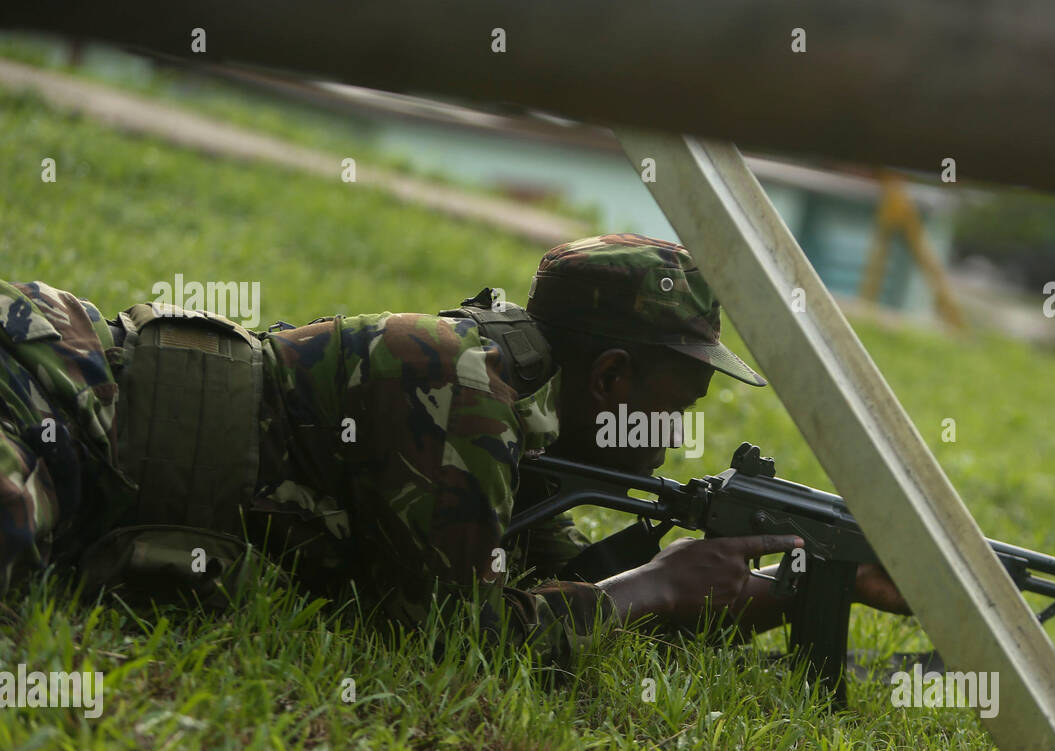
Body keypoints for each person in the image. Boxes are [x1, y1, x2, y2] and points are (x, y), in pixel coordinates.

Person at [0, 233, 906, 666]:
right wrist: (661, 586)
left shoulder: (524, 415)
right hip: (63, 393)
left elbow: (542, 591)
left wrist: (761, 594)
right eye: (684, 400)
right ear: (614, 380)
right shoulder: (463, 385)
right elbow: (447, 633)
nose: (679, 434)